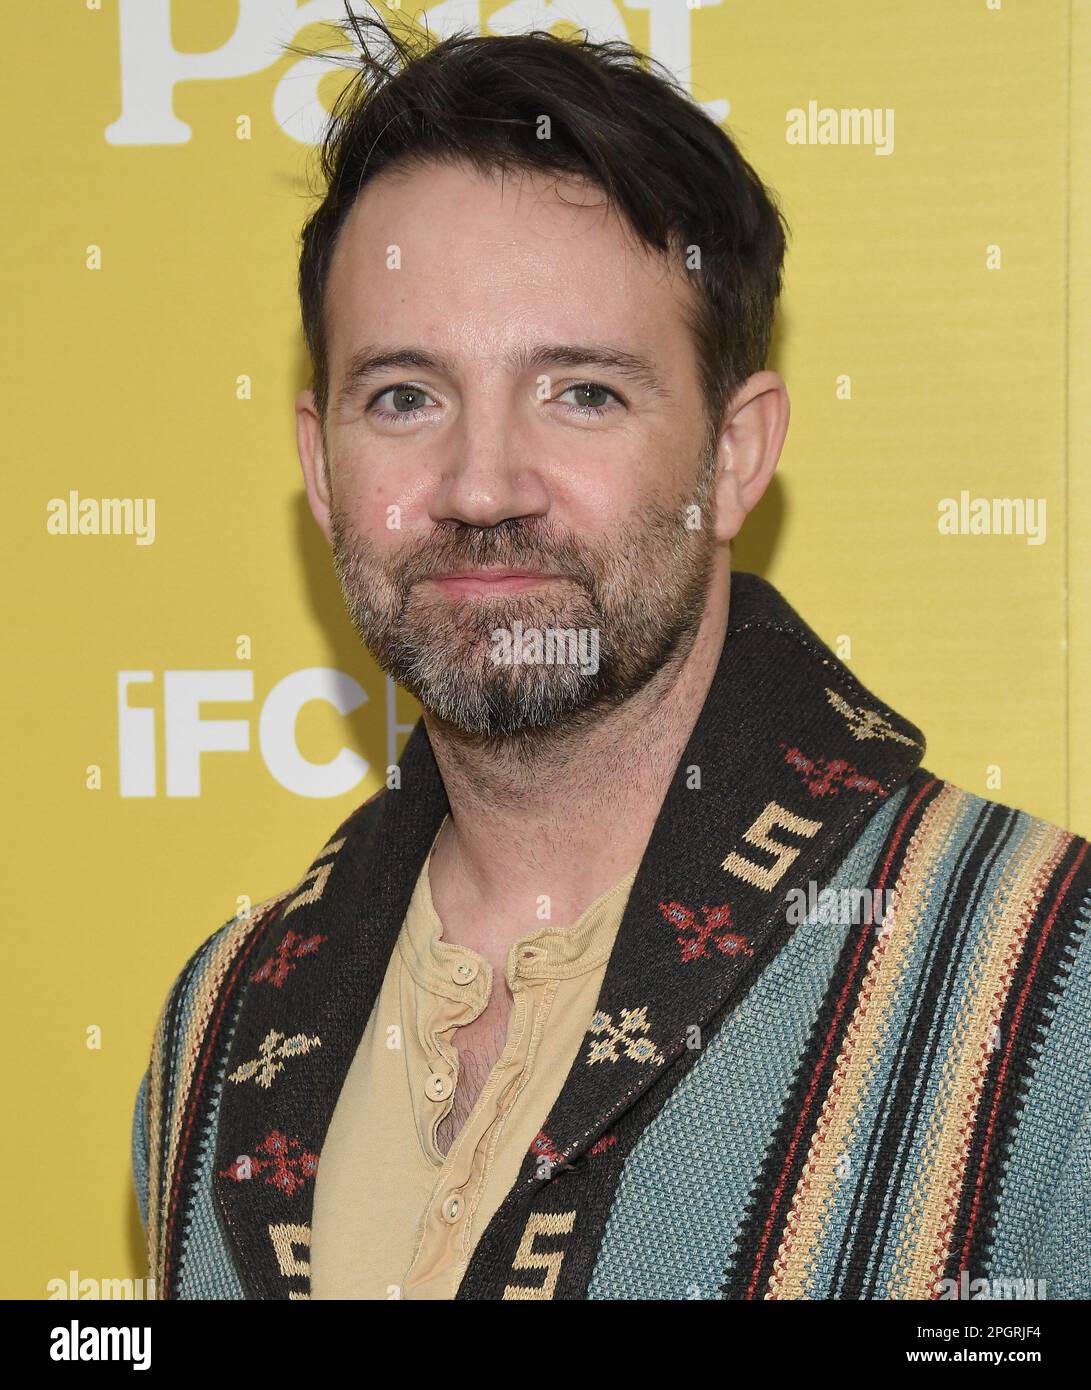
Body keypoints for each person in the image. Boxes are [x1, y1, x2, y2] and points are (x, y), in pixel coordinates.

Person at [131, 13, 1091, 1301]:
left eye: (582, 391)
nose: (482, 487)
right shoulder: (217, 1029)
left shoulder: (1040, 983)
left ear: (735, 454)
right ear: (320, 461)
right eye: (405, 396)